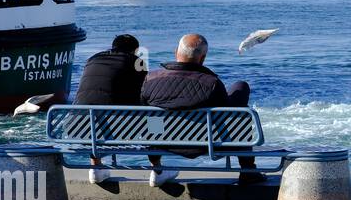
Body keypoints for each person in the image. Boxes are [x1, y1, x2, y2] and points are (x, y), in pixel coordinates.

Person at [141, 33, 259, 187]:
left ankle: (156, 168)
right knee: (240, 96)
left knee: (153, 118)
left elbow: (144, 114)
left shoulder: (150, 79)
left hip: (162, 142)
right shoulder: (211, 83)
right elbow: (227, 118)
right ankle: (248, 170)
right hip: (202, 143)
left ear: (176, 52)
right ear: (202, 58)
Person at [73, 34, 148, 184]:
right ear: (135, 50)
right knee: (155, 119)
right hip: (113, 128)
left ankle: (96, 168)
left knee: (93, 109)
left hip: (75, 127)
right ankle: (157, 169)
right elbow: (144, 94)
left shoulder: (92, 59)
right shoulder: (137, 62)